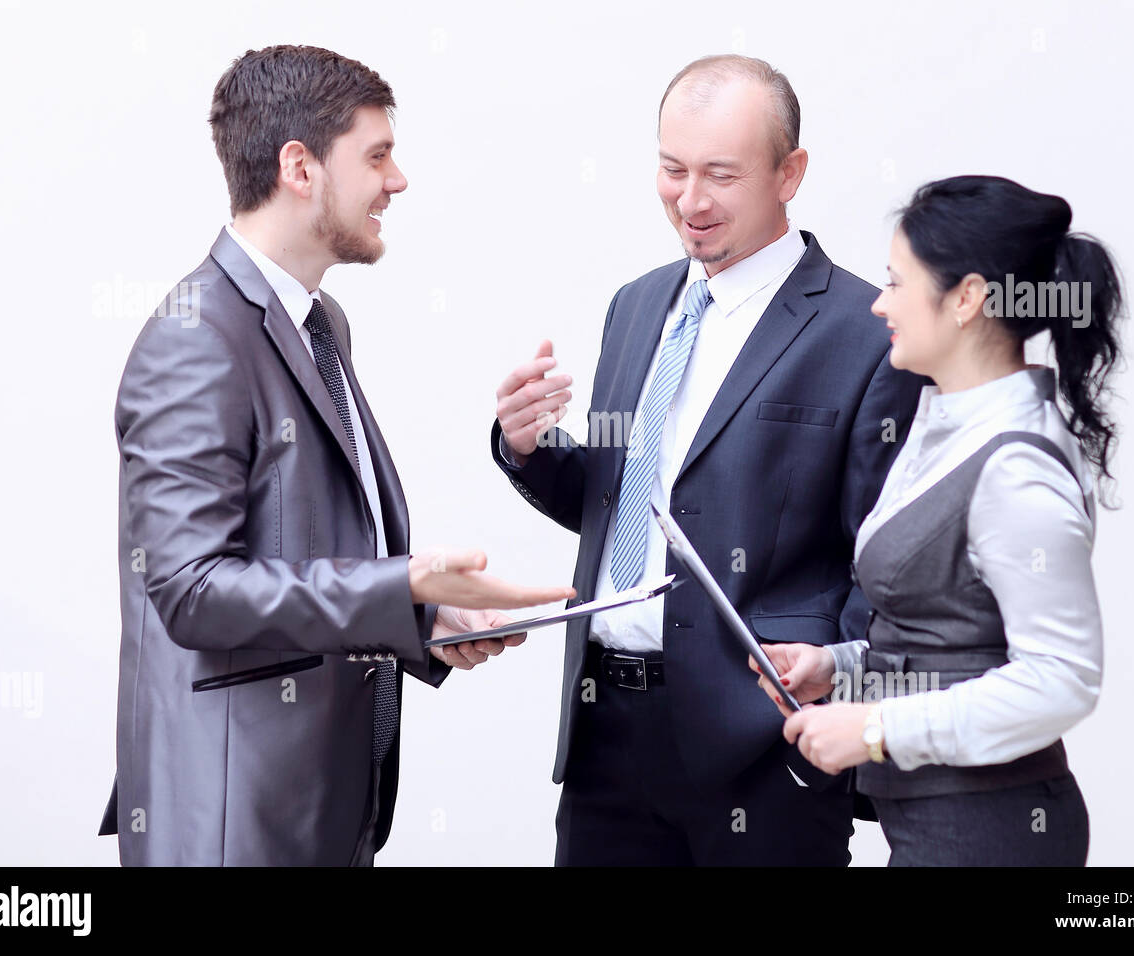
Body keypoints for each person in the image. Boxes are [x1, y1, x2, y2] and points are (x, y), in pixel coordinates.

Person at [98, 45, 574, 866]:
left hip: (318, 808)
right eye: (377, 156)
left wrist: (420, 619)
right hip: (233, 821)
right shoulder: (196, 337)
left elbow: (301, 561)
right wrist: (407, 584)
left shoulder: (318, 326)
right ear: (299, 166)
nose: (398, 181)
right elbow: (190, 589)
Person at [491, 55, 926, 865]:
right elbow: (630, 500)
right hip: (604, 735)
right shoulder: (637, 303)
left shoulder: (866, 333)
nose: (689, 202)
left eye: (720, 175)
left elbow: (889, 558)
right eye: (671, 169)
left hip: (764, 750)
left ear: (790, 172)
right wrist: (529, 445)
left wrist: (835, 692)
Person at [752, 174, 1123, 865]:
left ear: (968, 298)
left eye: (895, 283)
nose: (877, 304)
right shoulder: (945, 426)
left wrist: (875, 728)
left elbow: (1062, 679)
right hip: (934, 826)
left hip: (991, 832)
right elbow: (952, 639)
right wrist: (836, 666)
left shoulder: (1016, 469)